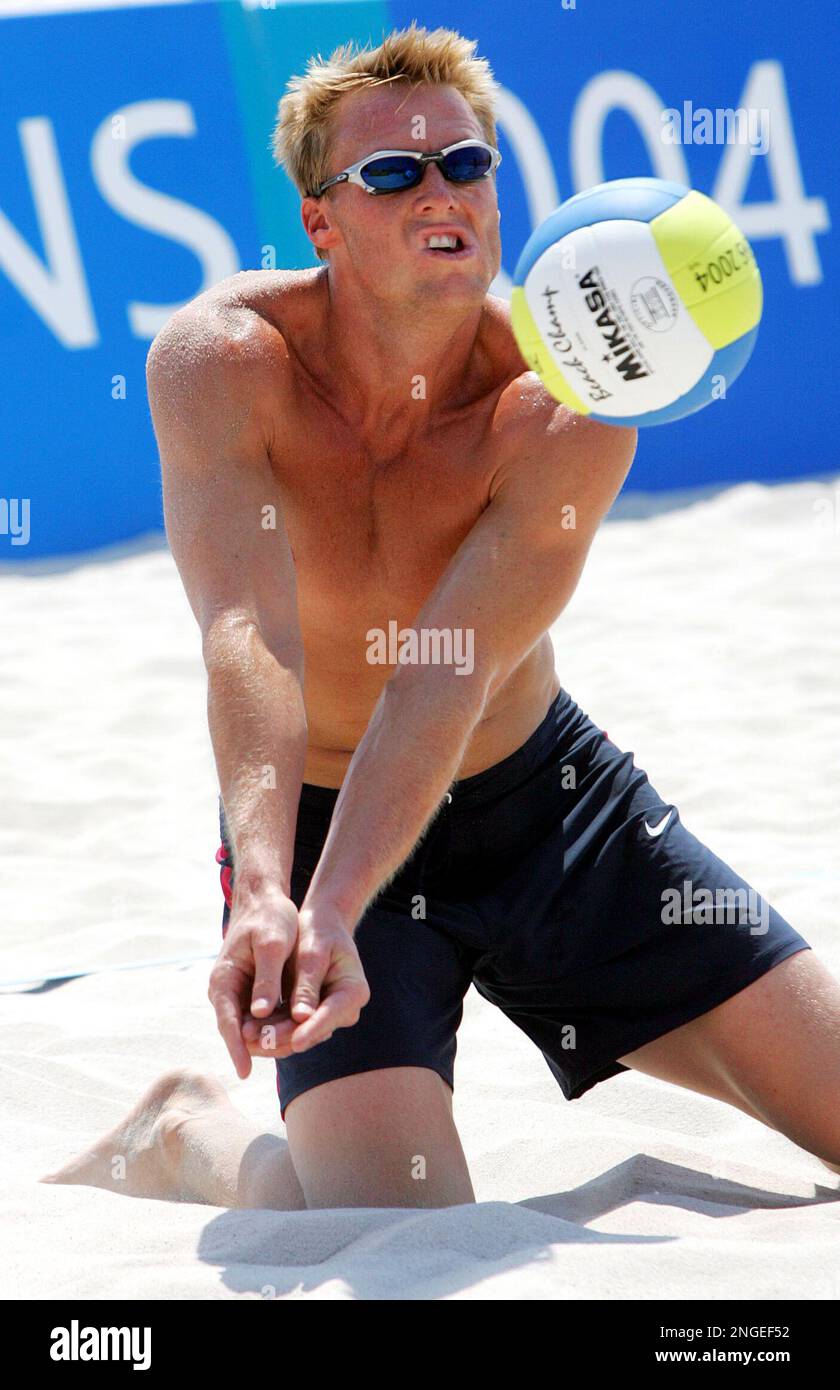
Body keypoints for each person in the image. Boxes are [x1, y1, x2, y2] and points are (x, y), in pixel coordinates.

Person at [42, 23, 840, 1211]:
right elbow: (246, 634)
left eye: (467, 165)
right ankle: (184, 1128)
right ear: (322, 221)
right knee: (382, 1226)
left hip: (549, 813)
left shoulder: (565, 401)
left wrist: (328, 910)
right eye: (394, 172)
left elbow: (440, 675)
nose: (443, 191)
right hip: (317, 818)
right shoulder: (221, 362)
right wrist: (271, 891)